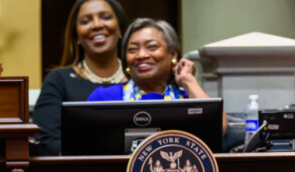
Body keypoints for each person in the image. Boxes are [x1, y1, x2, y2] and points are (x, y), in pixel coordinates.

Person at [89, 18, 228, 132]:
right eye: (132, 49)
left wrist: (188, 81)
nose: (141, 55)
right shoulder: (104, 98)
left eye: (152, 47)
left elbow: (218, 128)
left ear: (173, 54)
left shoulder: (187, 98)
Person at [32, 0, 128, 155]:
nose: (96, 25)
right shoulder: (58, 81)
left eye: (105, 17)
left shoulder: (140, 78)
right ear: (76, 35)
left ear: (120, 29)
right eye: (86, 21)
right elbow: (48, 141)